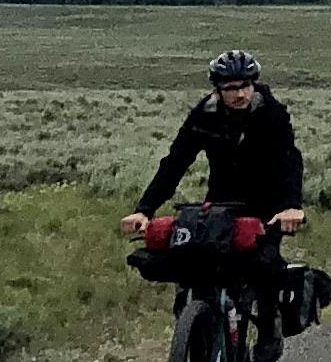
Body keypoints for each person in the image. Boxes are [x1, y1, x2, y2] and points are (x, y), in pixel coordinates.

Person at [121, 48, 310, 246]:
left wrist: (291, 206)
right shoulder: (204, 116)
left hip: (267, 208)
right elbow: (175, 163)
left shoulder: (271, 112)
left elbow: (289, 158)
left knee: (262, 267)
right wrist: (144, 210)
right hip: (220, 206)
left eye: (246, 85)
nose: (241, 94)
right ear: (217, 90)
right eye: (231, 88)